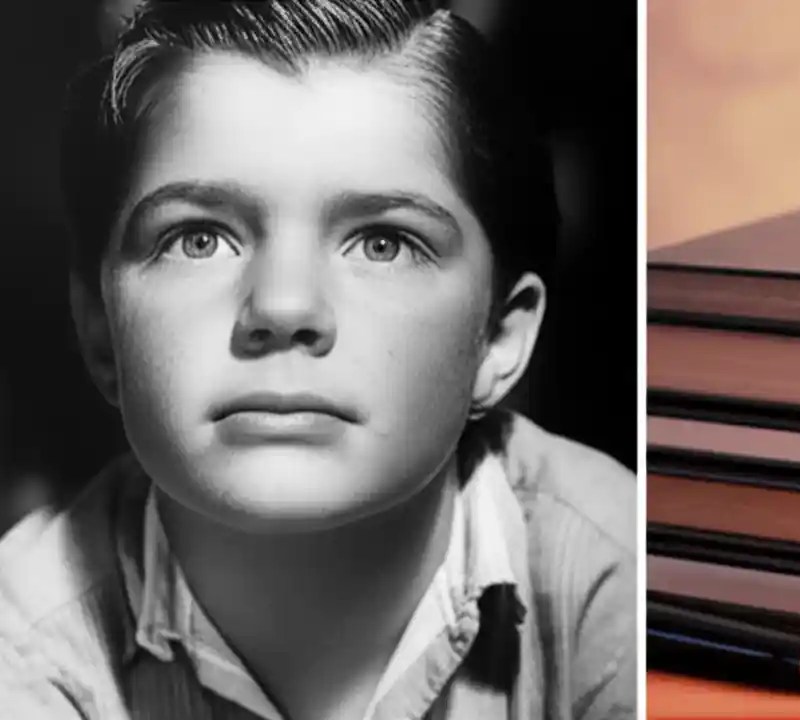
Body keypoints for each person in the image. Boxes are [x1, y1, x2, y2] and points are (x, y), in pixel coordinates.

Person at [0, 2, 637, 719]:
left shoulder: (620, 582)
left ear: (499, 337)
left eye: (383, 243)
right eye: (199, 238)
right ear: (99, 329)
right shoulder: (21, 644)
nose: (282, 306)